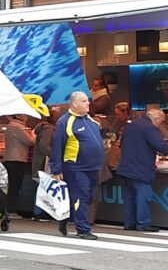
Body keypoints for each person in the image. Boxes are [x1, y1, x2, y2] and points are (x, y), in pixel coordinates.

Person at [50, 91, 106, 240]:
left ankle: (65, 217)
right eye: (83, 101)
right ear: (74, 104)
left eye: (87, 100)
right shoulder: (65, 122)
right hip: (76, 167)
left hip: (93, 167)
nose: (88, 103)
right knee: (80, 197)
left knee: (88, 197)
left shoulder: (91, 121)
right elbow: (57, 146)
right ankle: (82, 229)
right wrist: (56, 168)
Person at [116, 108, 168, 232]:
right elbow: (161, 146)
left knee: (129, 197)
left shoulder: (131, 125)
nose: (160, 125)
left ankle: (129, 223)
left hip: (126, 167)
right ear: (155, 119)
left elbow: (121, 143)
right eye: (161, 122)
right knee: (142, 197)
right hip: (141, 169)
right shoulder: (150, 128)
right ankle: (143, 223)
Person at [3, 115, 36, 214]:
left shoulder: (10, 126)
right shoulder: (18, 127)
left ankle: (7, 208)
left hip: (9, 158)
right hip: (18, 159)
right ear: (19, 115)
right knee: (15, 185)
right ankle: (10, 209)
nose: (27, 117)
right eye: (25, 115)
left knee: (11, 185)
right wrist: (34, 133)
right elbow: (30, 141)